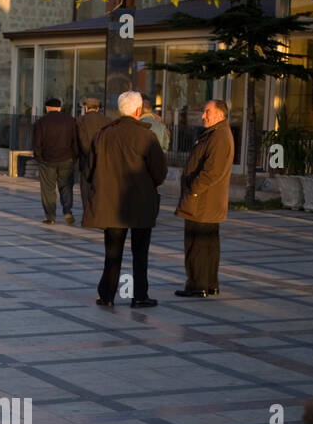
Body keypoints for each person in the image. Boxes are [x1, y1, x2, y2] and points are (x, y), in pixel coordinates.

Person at [83, 90, 165, 309]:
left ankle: (107, 295)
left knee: (112, 253)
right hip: (140, 203)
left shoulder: (103, 134)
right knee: (140, 253)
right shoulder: (146, 136)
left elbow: (88, 171)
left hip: (111, 204)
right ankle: (139, 296)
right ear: (139, 110)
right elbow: (160, 172)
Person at [175, 99, 233, 299]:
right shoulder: (216, 134)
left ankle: (197, 285)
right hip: (206, 201)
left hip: (203, 201)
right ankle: (209, 284)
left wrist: (194, 189)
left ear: (219, 114)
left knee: (197, 244)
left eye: (207, 111)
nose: (203, 116)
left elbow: (212, 171)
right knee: (207, 244)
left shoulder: (219, 136)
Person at [32, 97, 78, 225]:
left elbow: (36, 144)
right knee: (66, 186)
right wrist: (74, 157)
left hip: (47, 160)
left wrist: (39, 158)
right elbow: (75, 141)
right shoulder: (71, 121)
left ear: (47, 108)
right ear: (59, 108)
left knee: (48, 189)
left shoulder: (40, 122)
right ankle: (67, 211)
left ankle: (50, 216)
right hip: (67, 159)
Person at [75, 97, 107, 220]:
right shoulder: (107, 120)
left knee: (85, 189)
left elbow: (79, 141)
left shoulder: (79, 121)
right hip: (102, 159)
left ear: (86, 108)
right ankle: (98, 214)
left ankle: (87, 214)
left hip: (85, 160)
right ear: (98, 108)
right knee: (99, 187)